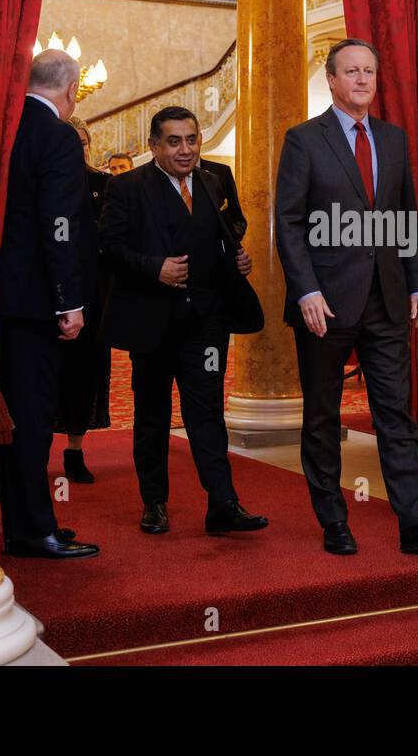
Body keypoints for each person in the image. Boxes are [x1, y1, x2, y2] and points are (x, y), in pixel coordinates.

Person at [274, 38, 418, 556]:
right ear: (332, 81)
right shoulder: (304, 140)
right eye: (351, 72)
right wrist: (306, 289)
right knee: (323, 416)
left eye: (370, 72)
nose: (362, 80)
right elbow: (288, 223)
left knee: (394, 414)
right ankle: (334, 522)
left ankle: (415, 523)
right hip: (325, 303)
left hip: (387, 299)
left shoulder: (393, 139)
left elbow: (407, 216)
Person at [99, 105, 268, 536]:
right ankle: (154, 502)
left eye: (191, 139)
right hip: (152, 324)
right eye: (174, 141)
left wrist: (237, 260)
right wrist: (154, 267)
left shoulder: (215, 180)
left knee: (207, 414)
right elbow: (108, 248)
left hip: (206, 325)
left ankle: (223, 504)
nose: (185, 149)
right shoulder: (127, 188)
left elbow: (230, 230)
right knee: (152, 416)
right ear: (154, 146)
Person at [0, 50, 100, 559]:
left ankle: (20, 522)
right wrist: (69, 301)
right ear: (73, 88)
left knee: (14, 417)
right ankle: (35, 529)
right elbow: (59, 226)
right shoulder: (56, 135)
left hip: (2, 298)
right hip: (37, 302)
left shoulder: (7, 127)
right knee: (34, 420)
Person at [54, 115, 113, 484]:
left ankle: (75, 451)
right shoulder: (44, 182)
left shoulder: (102, 184)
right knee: (47, 378)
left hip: (93, 297)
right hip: (49, 297)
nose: (75, 151)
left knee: (84, 376)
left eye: (80, 144)